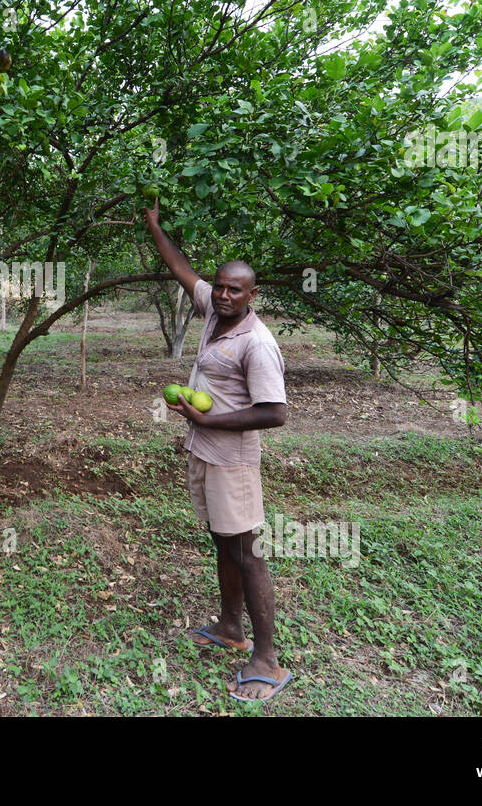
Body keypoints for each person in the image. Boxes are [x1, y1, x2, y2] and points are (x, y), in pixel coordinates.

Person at [143, 203, 292, 702]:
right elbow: (183, 271)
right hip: (204, 451)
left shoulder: (257, 342)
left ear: (253, 295)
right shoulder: (214, 312)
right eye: (220, 286)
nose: (224, 295)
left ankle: (267, 661)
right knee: (221, 542)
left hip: (234, 460)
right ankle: (231, 625)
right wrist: (156, 228)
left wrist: (210, 420)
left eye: (235, 290)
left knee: (249, 553)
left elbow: (275, 412)